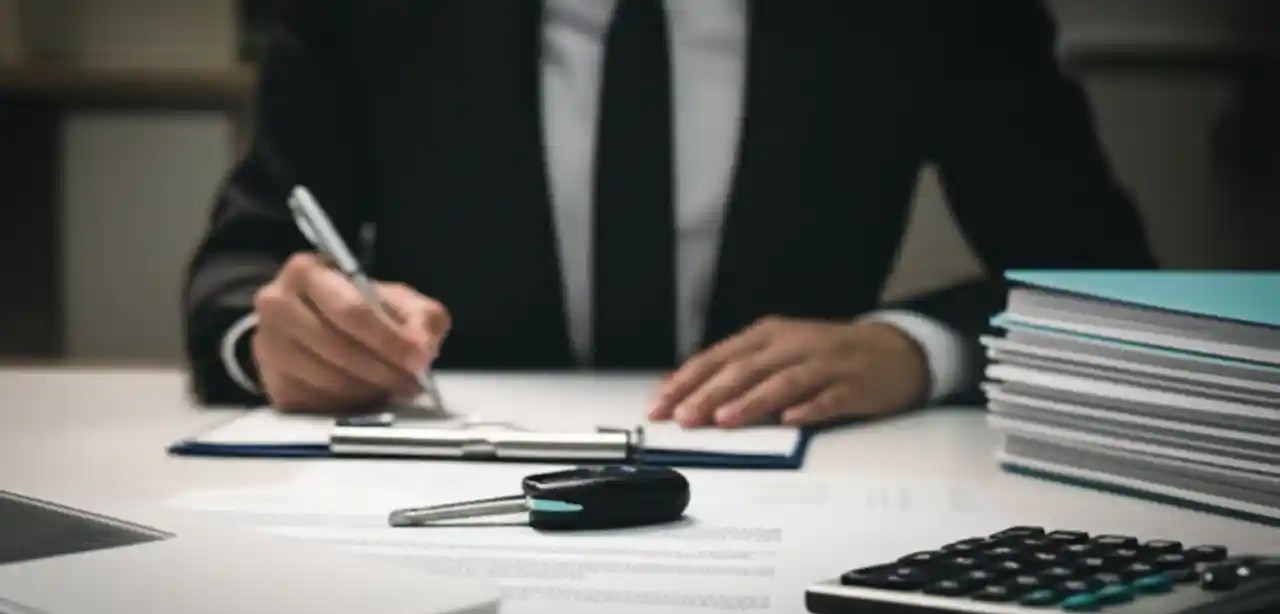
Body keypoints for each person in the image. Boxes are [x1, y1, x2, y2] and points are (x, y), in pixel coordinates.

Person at [184, 0, 1152, 428]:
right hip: (426, 496)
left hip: (818, 514)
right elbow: (244, 265)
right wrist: (275, 340)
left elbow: (1104, 281)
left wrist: (911, 351)